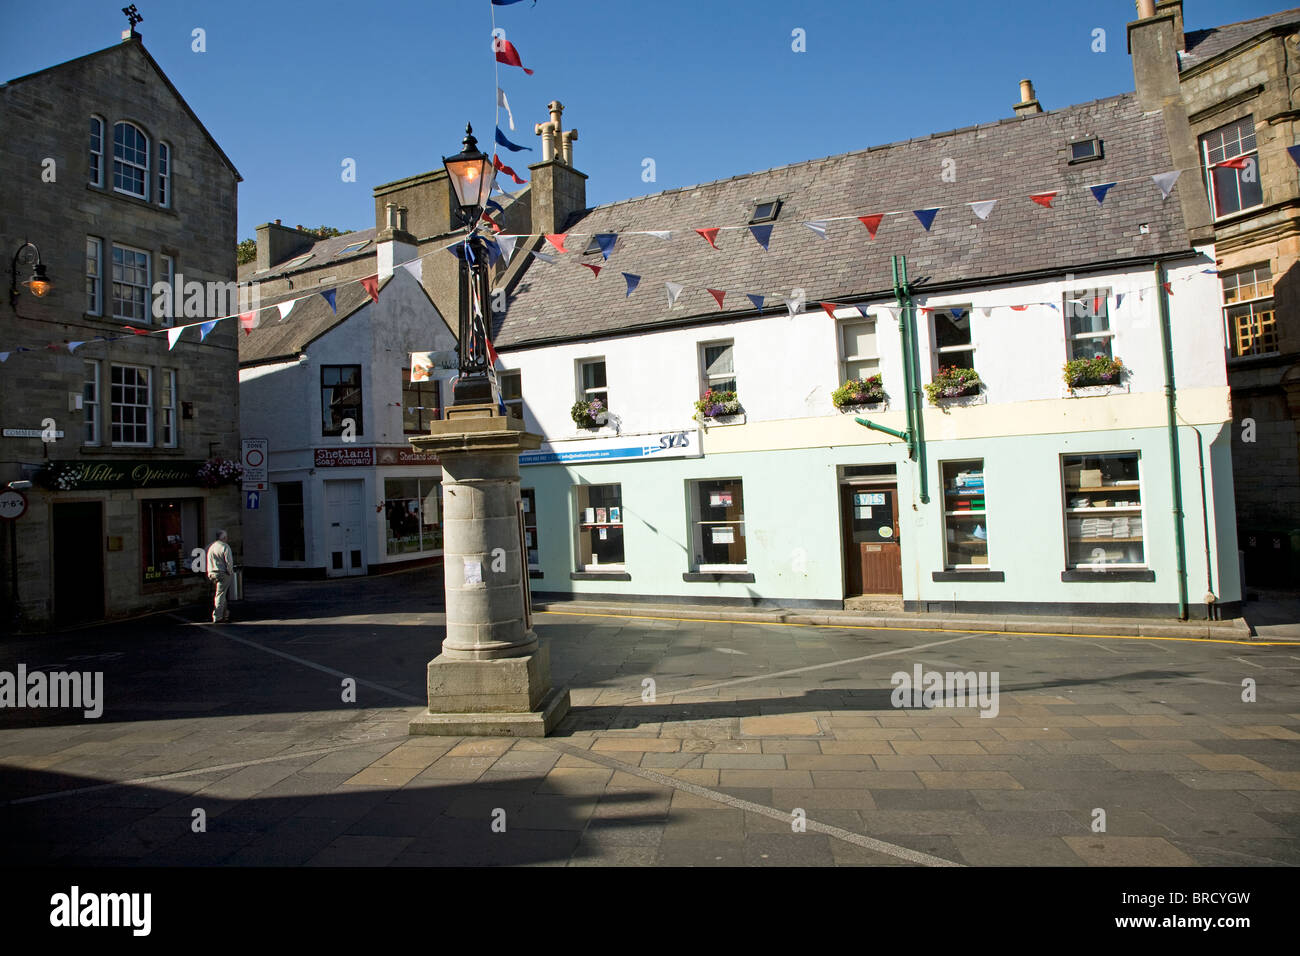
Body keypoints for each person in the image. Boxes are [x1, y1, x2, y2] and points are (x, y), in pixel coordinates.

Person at [206, 529, 235, 623]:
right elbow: (229, 562)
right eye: (226, 537)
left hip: (212, 572)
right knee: (220, 595)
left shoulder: (211, 546)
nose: (227, 539)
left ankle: (225, 614)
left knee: (221, 593)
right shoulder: (225, 546)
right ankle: (217, 616)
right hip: (222, 573)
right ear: (223, 538)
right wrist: (230, 572)